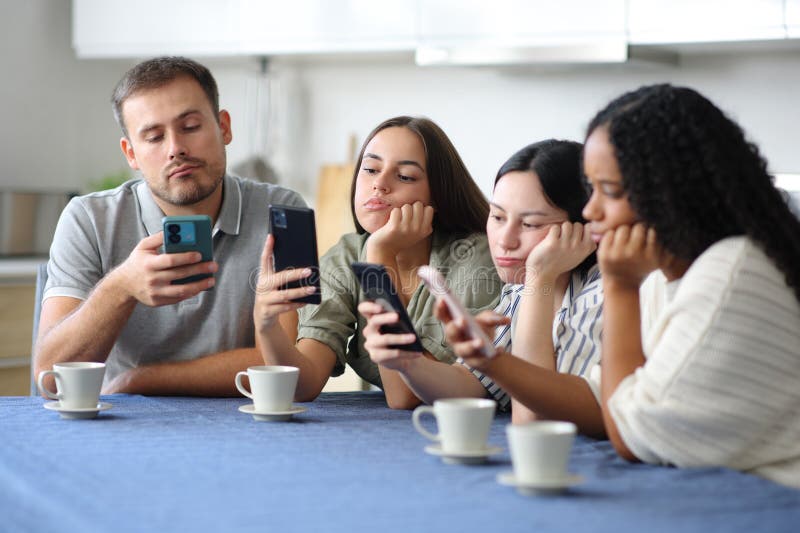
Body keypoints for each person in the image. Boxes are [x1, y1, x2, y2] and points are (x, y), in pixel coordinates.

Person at [34, 56, 306, 395]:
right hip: (122, 430)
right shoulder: (88, 219)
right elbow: (50, 379)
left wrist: (141, 380)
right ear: (130, 153)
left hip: (244, 422)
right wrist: (121, 288)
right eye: (153, 137)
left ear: (224, 127)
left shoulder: (284, 213)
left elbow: (289, 365)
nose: (175, 149)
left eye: (190, 127)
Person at [582, 83, 800, 488]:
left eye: (610, 191)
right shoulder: (663, 275)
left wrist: (618, 288)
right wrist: (493, 363)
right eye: (590, 188)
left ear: (671, 193)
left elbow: (631, 435)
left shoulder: (733, 271)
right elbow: (603, 398)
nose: (589, 209)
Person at [253, 116, 502, 409]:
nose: (380, 185)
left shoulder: (476, 258)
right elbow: (302, 386)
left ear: (438, 195)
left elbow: (406, 397)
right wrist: (266, 324)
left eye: (405, 176)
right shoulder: (346, 255)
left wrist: (380, 256)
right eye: (370, 170)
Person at [361, 140, 606, 435]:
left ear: (584, 229)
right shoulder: (518, 293)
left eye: (529, 225)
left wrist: (539, 275)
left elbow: (533, 420)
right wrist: (409, 363)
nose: (505, 240)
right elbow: (466, 384)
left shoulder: (601, 294)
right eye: (498, 217)